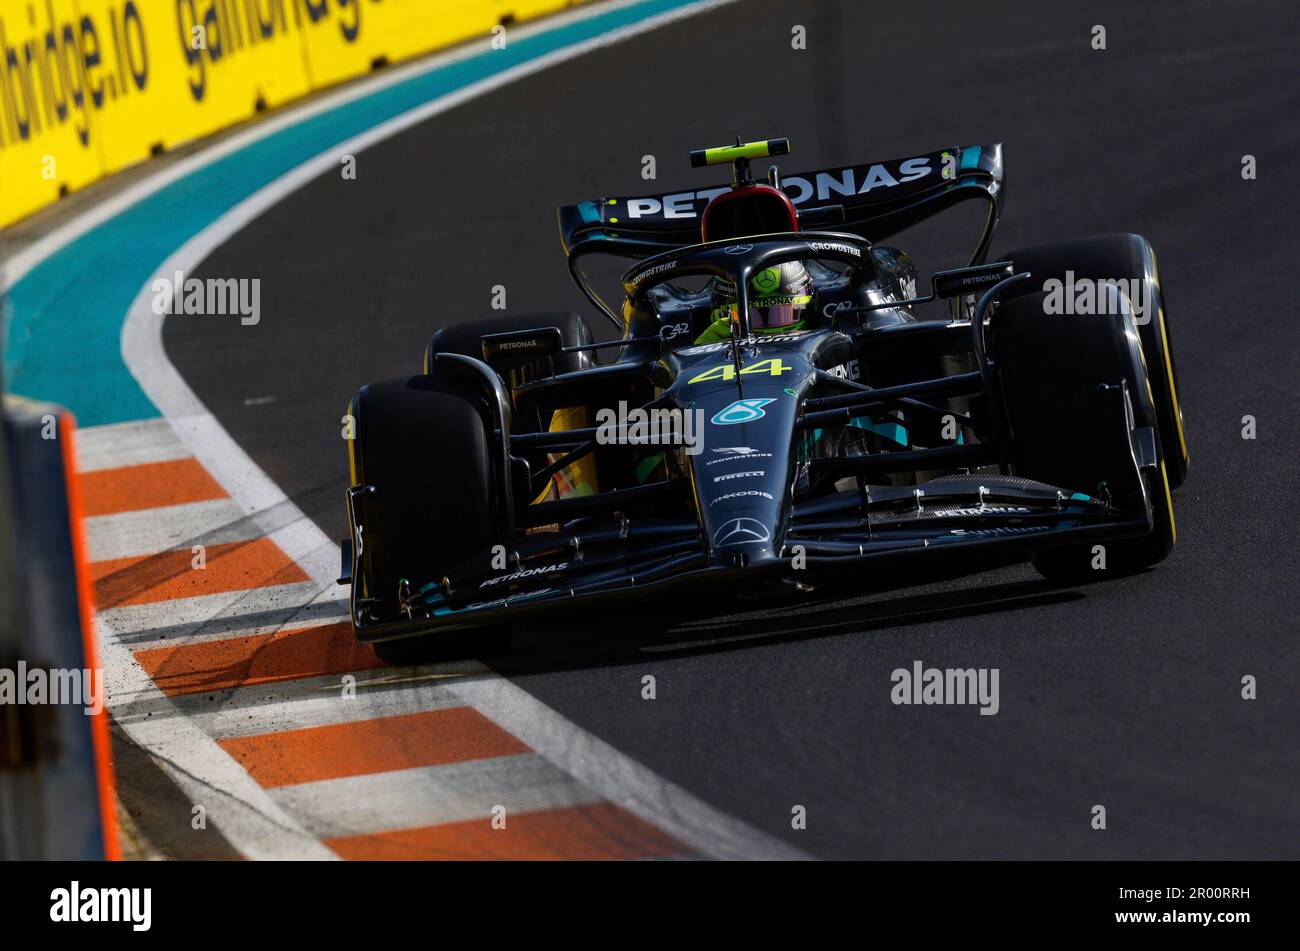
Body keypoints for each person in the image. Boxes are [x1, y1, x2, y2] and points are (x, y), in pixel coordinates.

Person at [693, 261, 816, 344]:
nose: (772, 334)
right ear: (722, 317)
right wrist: (707, 347)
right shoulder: (716, 335)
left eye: (783, 314)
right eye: (754, 317)